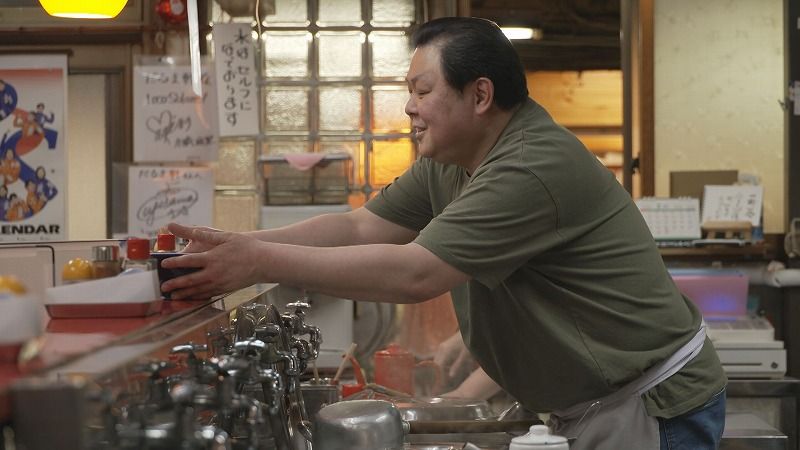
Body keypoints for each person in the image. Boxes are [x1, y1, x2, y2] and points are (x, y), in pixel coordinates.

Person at [162, 17, 726, 450]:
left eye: (422, 89)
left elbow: (417, 273)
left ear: (480, 96)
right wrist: (233, 244)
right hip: (596, 401)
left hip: (652, 404)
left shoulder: (528, 164)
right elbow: (360, 226)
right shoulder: (452, 159)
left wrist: (258, 262)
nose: (409, 106)